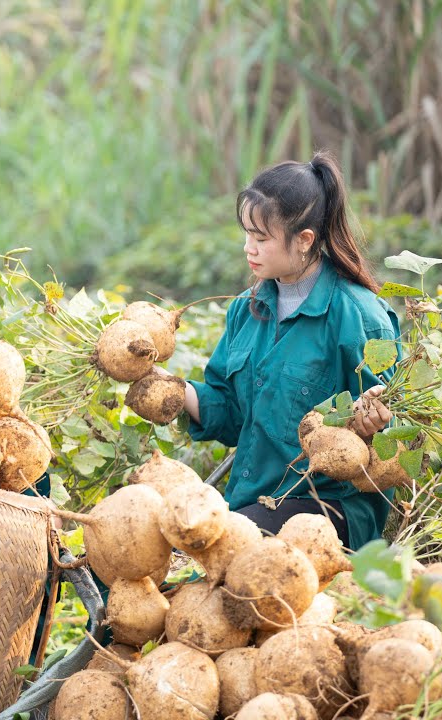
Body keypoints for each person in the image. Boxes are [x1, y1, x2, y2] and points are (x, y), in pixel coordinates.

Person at [180, 151, 399, 550]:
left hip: (329, 509)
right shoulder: (246, 309)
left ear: (304, 240)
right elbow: (230, 414)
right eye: (246, 234)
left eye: (261, 238)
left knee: (216, 550)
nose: (249, 248)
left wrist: (375, 422)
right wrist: (171, 390)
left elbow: (394, 439)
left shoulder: (360, 319)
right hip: (253, 502)